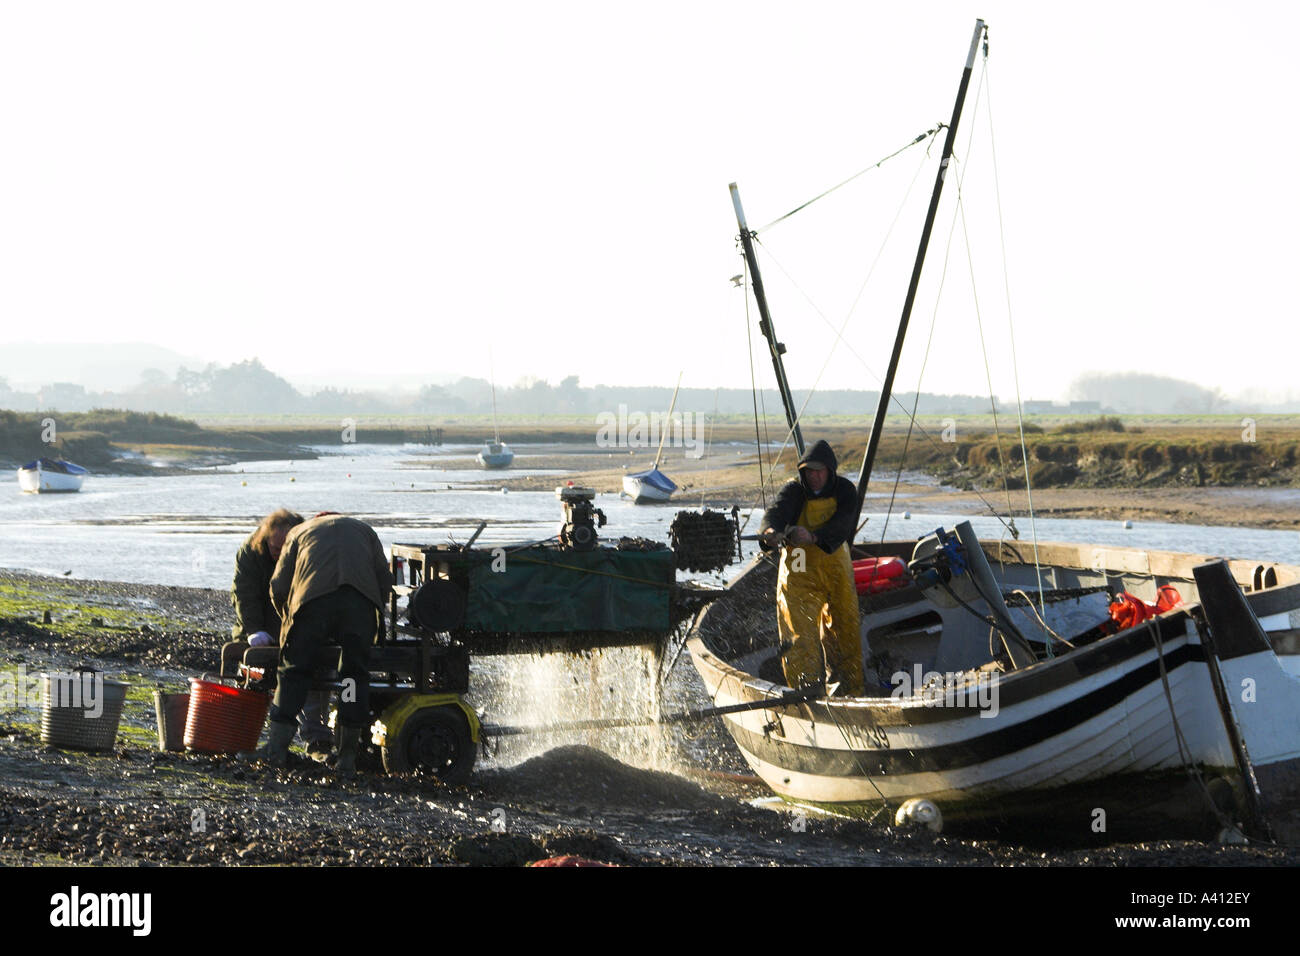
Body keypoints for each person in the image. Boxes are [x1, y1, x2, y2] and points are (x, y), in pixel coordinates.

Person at [264, 513, 393, 775]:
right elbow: (384, 582)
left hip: (312, 605)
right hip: (359, 608)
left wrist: (289, 622)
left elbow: (278, 587)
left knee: (293, 671)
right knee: (353, 678)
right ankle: (346, 757)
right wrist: (368, 616)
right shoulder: (366, 531)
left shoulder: (299, 533)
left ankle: (276, 751)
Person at [758, 439, 864, 697]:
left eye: (819, 471)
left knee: (845, 629)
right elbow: (775, 513)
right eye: (809, 471)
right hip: (798, 572)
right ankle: (806, 693)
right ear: (802, 471)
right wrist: (769, 532)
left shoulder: (846, 491)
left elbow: (843, 526)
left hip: (835, 571)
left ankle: (851, 691)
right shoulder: (793, 491)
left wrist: (814, 537)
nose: (814, 477)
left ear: (830, 470)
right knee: (799, 635)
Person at [228, 509, 335, 759]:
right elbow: (244, 594)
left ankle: (316, 740)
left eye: (283, 547)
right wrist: (254, 630)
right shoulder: (250, 551)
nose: (278, 553)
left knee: (312, 678)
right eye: (274, 547)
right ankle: (240, 736)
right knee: (250, 678)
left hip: (297, 628)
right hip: (259, 627)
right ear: (265, 539)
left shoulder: (307, 550)